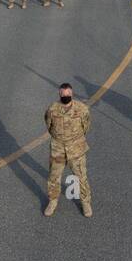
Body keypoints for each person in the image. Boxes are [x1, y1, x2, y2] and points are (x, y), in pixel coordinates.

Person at [44, 83, 92, 218]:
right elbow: (49, 125)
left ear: (72, 94)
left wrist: (75, 139)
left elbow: (86, 126)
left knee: (81, 177)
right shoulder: (52, 109)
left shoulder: (82, 109)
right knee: (54, 177)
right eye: (63, 94)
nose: (65, 96)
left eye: (68, 94)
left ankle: (86, 203)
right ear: (59, 94)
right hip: (58, 149)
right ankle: (52, 202)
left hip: (76, 148)